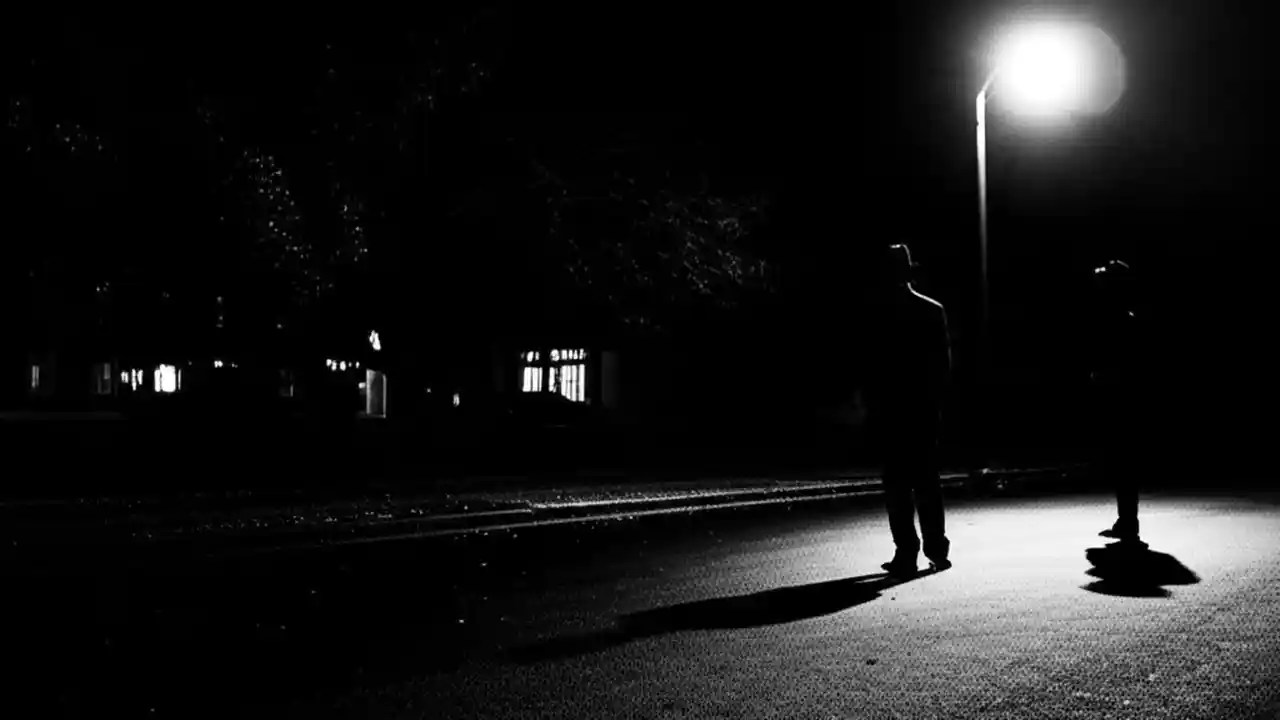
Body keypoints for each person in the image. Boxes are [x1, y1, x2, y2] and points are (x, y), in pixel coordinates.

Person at [861, 244, 953, 576]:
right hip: (922, 408)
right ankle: (935, 547)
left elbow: (870, 367)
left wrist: (870, 404)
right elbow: (943, 367)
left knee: (898, 485)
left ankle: (907, 550)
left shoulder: (876, 314)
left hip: (891, 410)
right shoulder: (931, 310)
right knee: (927, 481)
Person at [1090, 259, 1143, 544]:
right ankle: (1127, 520)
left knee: (1123, 461)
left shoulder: (1116, 319)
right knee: (1123, 461)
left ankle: (1128, 521)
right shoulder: (1122, 318)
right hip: (1121, 396)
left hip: (1119, 397)